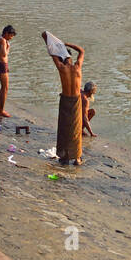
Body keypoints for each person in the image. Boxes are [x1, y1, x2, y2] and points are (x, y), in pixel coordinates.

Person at [44, 31, 85, 165]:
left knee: (64, 128)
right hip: (76, 99)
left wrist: (50, 42)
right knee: (76, 128)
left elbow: (52, 54)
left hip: (66, 99)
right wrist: (65, 44)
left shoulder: (61, 68)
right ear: (70, 58)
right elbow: (81, 51)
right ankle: (77, 157)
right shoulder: (77, 67)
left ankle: (65, 156)